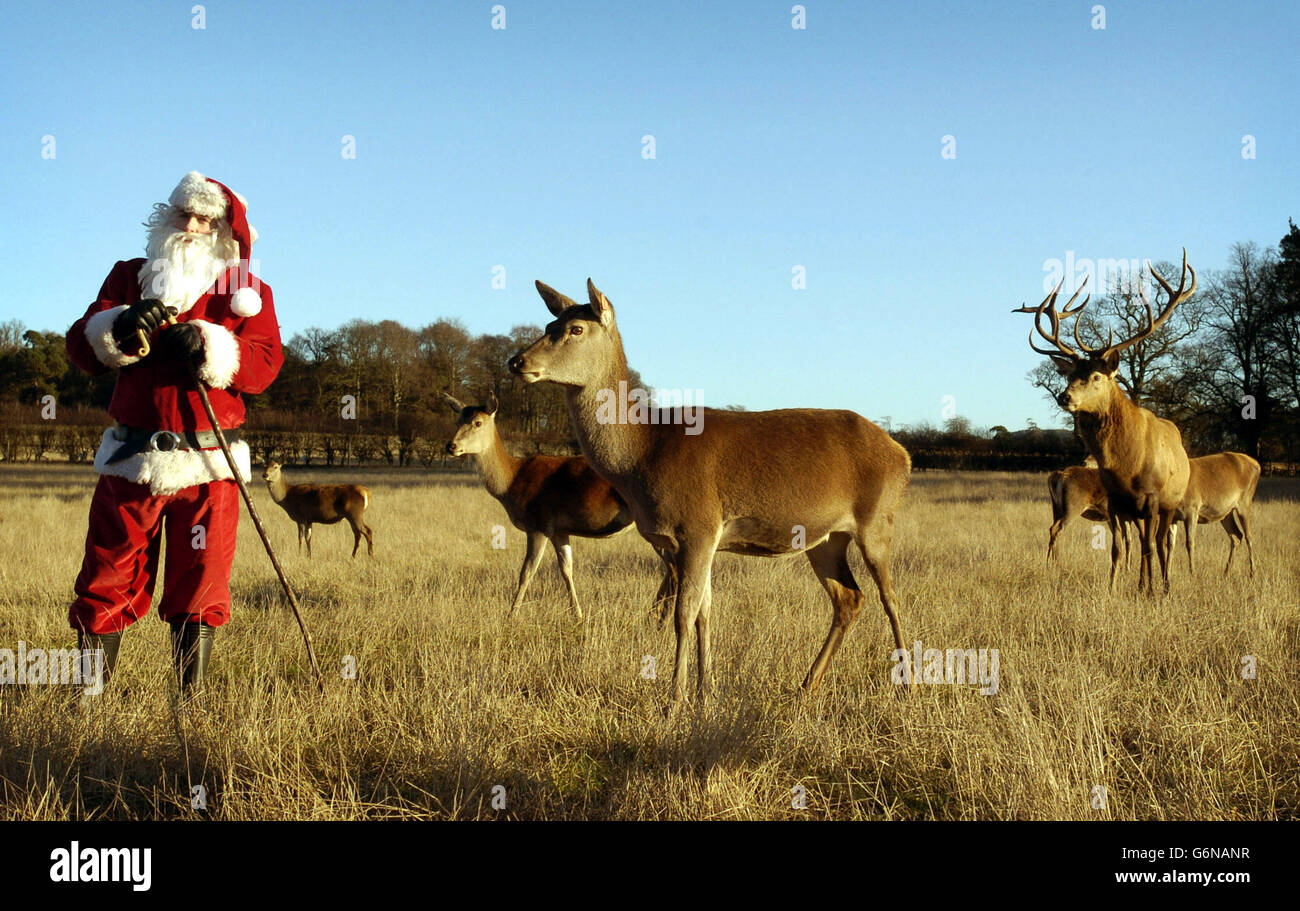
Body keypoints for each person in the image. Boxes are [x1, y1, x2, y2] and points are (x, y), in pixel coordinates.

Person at [64, 171, 283, 697]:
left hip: (208, 463)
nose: (190, 226)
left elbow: (265, 366)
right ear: (165, 217)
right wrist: (118, 326)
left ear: (224, 231)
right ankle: (88, 700)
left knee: (201, 577)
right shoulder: (127, 277)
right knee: (107, 573)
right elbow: (79, 349)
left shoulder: (247, 293)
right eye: (182, 214)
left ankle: (189, 702)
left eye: (204, 219)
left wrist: (211, 346)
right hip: (131, 458)